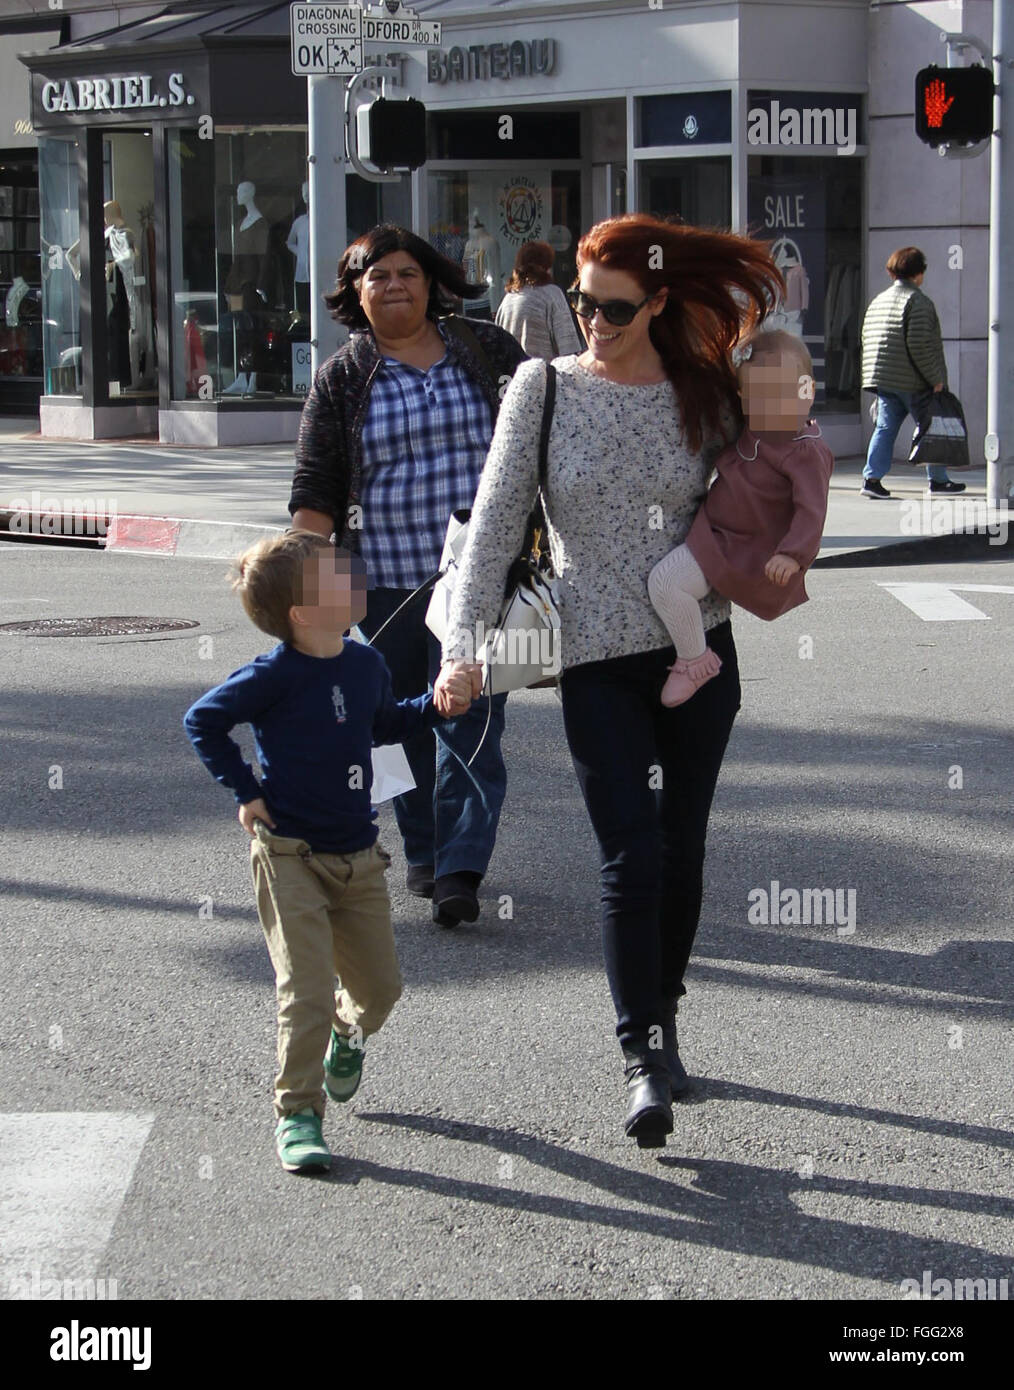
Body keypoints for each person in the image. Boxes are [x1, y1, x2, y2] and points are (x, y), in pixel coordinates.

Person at [433, 213, 783, 1148]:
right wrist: (462, 650)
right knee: (629, 851)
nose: (593, 317)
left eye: (615, 306)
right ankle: (642, 1056)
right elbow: (499, 525)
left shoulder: (706, 390)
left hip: (697, 652)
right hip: (594, 656)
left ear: (659, 300)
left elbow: (765, 484)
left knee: (682, 849)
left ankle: (664, 1010)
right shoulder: (541, 389)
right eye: (583, 300)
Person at [183, 530, 472, 1173]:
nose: (355, 580)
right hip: (288, 854)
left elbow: (386, 722)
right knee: (304, 988)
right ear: (302, 613)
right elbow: (202, 720)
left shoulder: (364, 664)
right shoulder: (272, 676)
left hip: (359, 858)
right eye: (337, 577)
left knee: (381, 993)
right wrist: (246, 790)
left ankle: (348, 1032)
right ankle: (298, 1114)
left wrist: (438, 704)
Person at [288, 224, 528, 928]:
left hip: (480, 583)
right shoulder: (342, 377)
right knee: (396, 725)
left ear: (432, 284)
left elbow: (540, 440)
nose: (393, 284)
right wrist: (305, 585)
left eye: (406, 273)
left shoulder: (487, 350)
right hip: (384, 582)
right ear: (354, 294)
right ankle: (422, 848)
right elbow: (316, 488)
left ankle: (459, 867)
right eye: (376, 275)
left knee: (471, 718)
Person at [647, 328, 834, 706]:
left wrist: (793, 555)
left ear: (807, 392)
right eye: (758, 398)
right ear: (743, 398)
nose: (771, 409)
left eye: (783, 396)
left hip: (744, 549)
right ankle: (693, 655)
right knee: (667, 584)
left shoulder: (805, 452)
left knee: (665, 584)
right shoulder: (755, 428)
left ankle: (695, 661)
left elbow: (812, 512)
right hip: (712, 533)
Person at [860, 246, 964, 499]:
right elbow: (919, 345)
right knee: (932, 426)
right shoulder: (918, 301)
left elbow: (868, 339)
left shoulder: (879, 301)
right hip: (914, 381)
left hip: (884, 379)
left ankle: (871, 479)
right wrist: (935, 379)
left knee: (884, 429)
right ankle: (938, 481)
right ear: (918, 273)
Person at [495, 240, 583, 361]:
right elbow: (568, 345)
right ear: (547, 266)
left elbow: (498, 347)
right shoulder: (551, 294)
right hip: (544, 376)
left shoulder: (507, 300)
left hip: (511, 376)